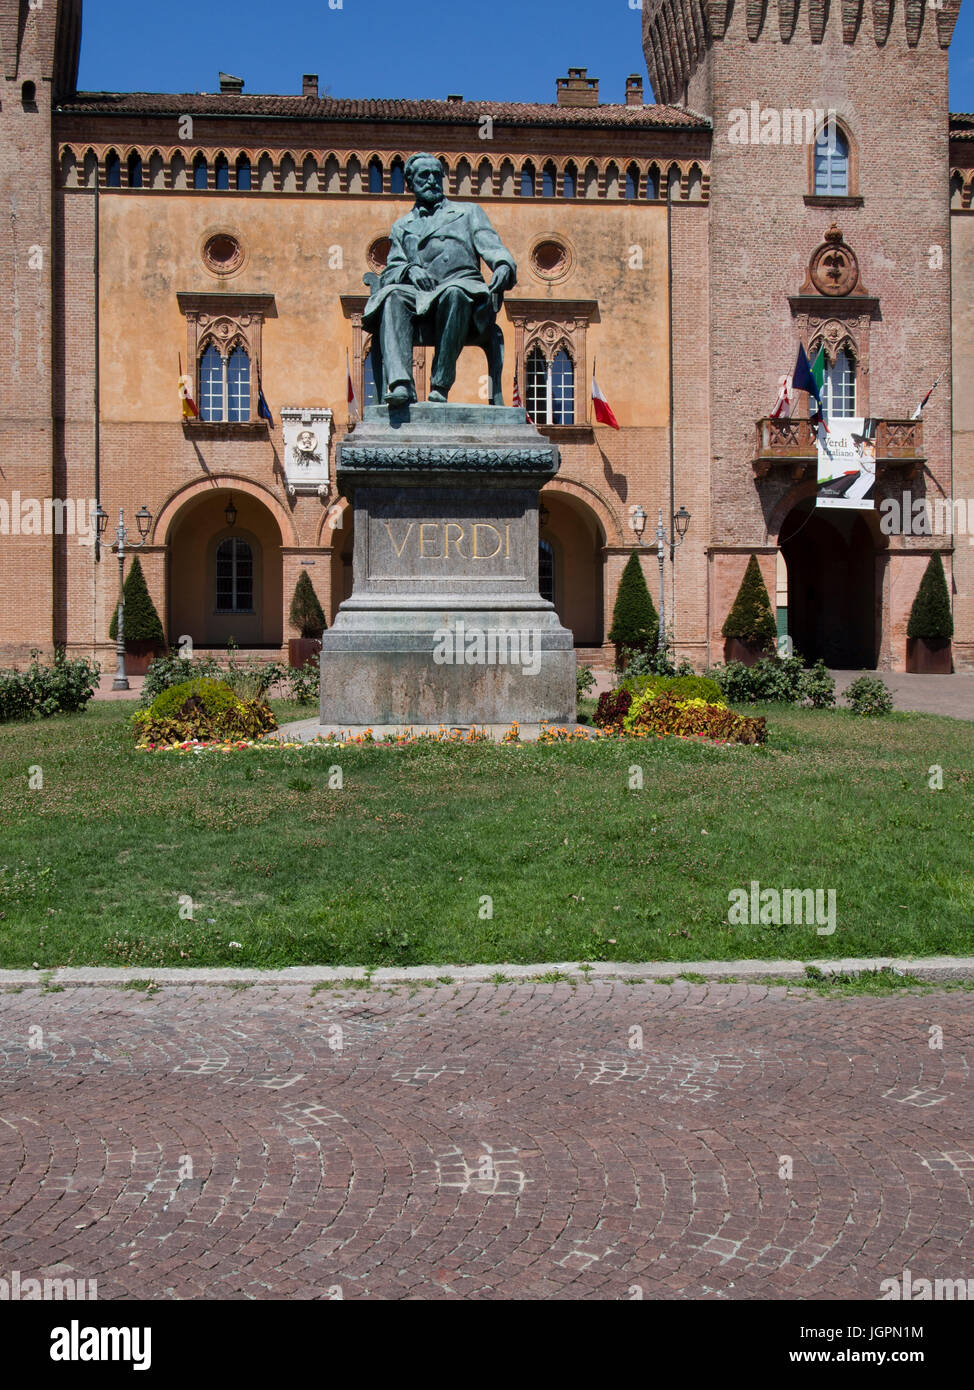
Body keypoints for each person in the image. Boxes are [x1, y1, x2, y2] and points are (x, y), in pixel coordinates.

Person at [362, 152, 517, 405]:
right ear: (410, 183)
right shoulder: (402, 226)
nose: (432, 180)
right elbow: (391, 270)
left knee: (454, 292)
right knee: (391, 296)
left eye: (437, 175)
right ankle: (401, 384)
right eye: (424, 175)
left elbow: (494, 247)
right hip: (422, 297)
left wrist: (503, 265)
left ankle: (440, 384)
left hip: (466, 291)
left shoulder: (468, 213)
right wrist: (409, 270)